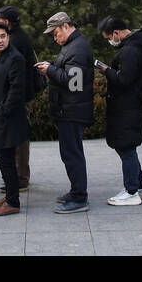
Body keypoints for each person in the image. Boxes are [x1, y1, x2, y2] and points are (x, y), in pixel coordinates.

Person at [37, 11, 94, 214]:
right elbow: (69, 72)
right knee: (70, 153)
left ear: (67, 26)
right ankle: (76, 191)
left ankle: (79, 197)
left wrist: (50, 70)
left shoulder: (77, 48)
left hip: (72, 110)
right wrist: (52, 66)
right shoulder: (71, 46)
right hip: (68, 108)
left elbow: (75, 82)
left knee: (72, 154)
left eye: (55, 33)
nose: (54, 37)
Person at [96, 15, 142, 206]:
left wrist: (105, 70)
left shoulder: (129, 51)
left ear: (117, 33)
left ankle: (131, 191)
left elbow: (124, 80)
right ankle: (141, 185)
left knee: (126, 148)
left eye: (109, 37)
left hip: (126, 107)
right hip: (130, 106)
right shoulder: (136, 46)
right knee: (127, 147)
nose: (109, 41)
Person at [0, 6, 40, 192]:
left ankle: (19, 178)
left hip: (17, 98)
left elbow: (13, 77)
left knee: (17, 137)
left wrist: (6, 103)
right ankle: (17, 176)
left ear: (7, 23)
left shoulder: (15, 41)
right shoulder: (18, 37)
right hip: (19, 96)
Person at [0, 18, 30, 216]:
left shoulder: (15, 58)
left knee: (6, 159)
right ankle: (10, 194)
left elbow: (17, 89)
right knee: (1, 158)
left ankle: (13, 201)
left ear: (9, 37)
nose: (0, 40)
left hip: (8, 119)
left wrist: (3, 111)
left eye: (3, 36)